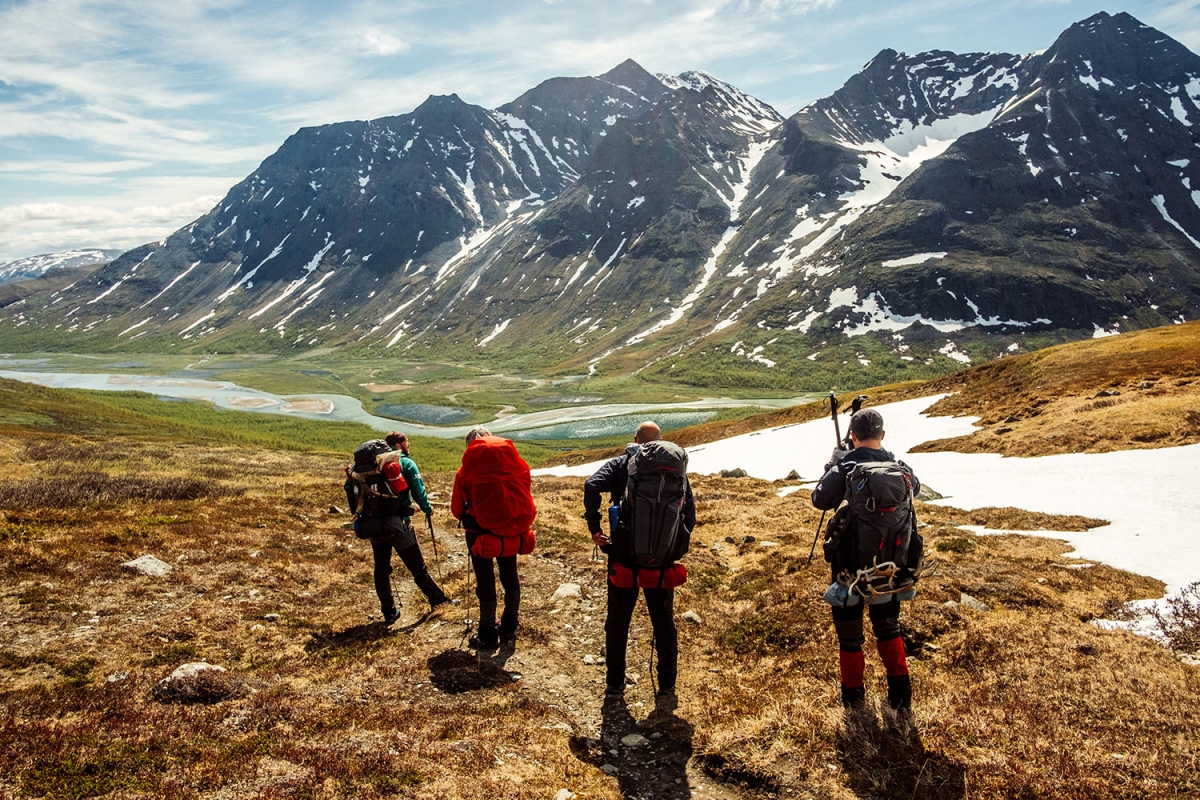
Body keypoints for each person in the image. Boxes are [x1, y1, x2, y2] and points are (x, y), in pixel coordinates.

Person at [811, 408, 919, 711]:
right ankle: (900, 693)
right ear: (881, 436)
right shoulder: (898, 465)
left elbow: (819, 499)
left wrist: (834, 464)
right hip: (890, 565)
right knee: (888, 627)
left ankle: (854, 699)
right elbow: (916, 489)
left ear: (853, 436)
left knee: (850, 636)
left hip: (849, 567)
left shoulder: (844, 466)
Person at [583, 421, 694, 699]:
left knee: (618, 621)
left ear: (634, 440)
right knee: (663, 622)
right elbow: (688, 514)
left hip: (624, 557)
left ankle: (614, 683)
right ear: (660, 441)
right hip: (662, 560)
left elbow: (591, 484)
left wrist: (595, 527)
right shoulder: (675, 470)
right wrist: (674, 548)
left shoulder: (623, 463)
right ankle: (667, 685)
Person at [344, 431, 451, 623]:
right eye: (407, 442)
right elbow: (418, 490)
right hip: (398, 524)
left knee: (381, 569)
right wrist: (427, 509)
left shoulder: (362, 467)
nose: (409, 445)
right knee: (418, 568)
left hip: (372, 525)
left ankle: (389, 612)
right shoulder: (404, 463)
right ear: (399, 446)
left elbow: (350, 489)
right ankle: (438, 600)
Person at [451, 426, 532, 650]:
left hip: (478, 534)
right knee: (509, 574)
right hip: (510, 530)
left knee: (485, 581)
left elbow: (457, 508)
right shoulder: (514, 466)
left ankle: (487, 634)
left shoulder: (466, 471)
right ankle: (509, 624)